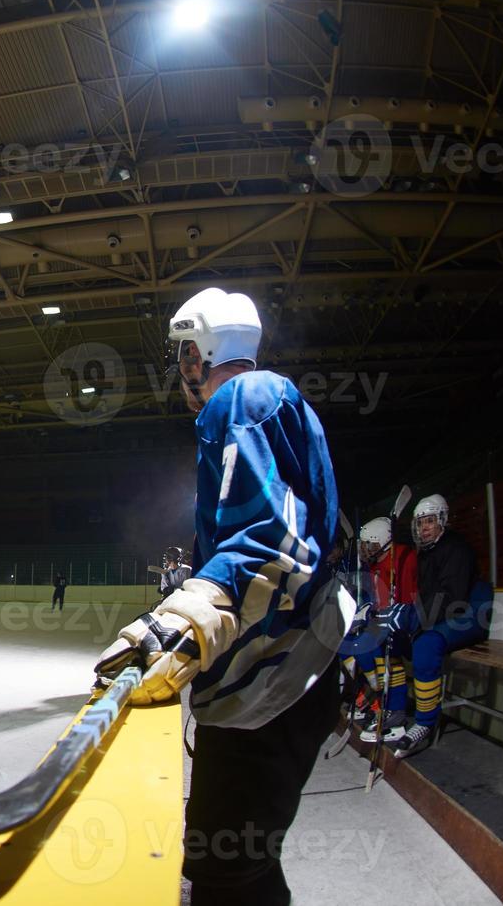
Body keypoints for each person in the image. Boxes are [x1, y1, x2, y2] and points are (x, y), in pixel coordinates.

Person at [94, 287, 345, 905]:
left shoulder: (242, 397)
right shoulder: (270, 403)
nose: (183, 370)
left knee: (222, 870)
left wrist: (186, 616)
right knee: (243, 861)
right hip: (285, 677)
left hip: (272, 684)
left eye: (185, 355)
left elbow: (271, 540)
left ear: (203, 353)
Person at [387, 494, 492, 759]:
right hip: (443, 611)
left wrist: (413, 617)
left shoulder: (456, 548)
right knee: (393, 640)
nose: (424, 527)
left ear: (443, 520)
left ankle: (424, 722)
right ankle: (396, 709)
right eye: (420, 522)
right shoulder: (427, 553)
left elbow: (453, 597)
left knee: (426, 643)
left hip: (469, 611)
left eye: (430, 521)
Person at [340, 516, 419, 744]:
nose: (366, 550)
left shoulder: (404, 558)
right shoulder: (374, 566)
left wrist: (385, 616)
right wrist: (366, 612)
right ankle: (377, 695)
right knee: (349, 641)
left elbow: (410, 600)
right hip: (386, 621)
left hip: (408, 625)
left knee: (376, 649)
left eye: (370, 544)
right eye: (364, 545)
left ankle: (393, 709)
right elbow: (377, 601)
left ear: (384, 541)